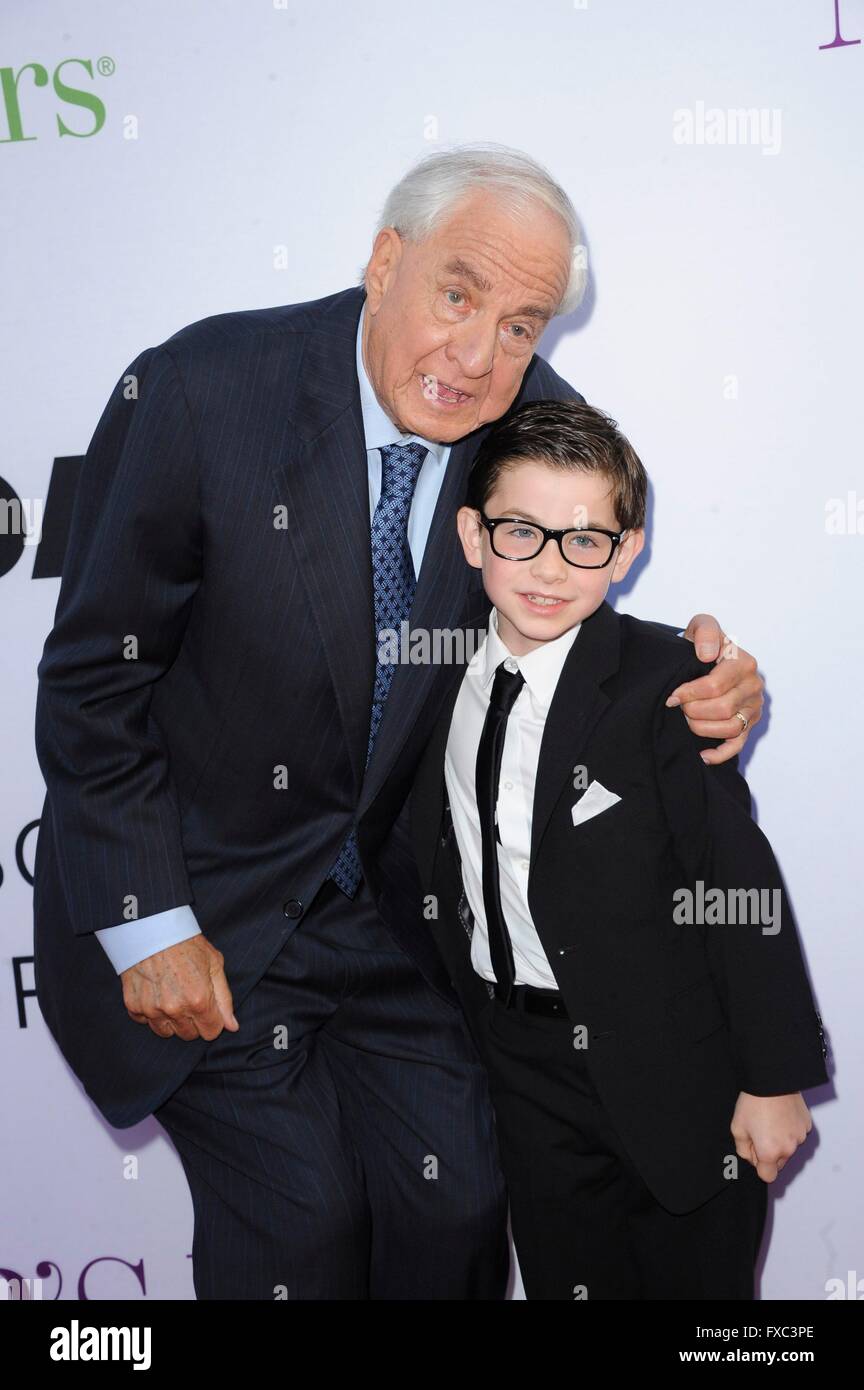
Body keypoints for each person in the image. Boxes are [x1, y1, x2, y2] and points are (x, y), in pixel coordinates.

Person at [33, 144, 765, 1300]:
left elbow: (561, 602)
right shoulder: (205, 389)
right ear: (386, 262)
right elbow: (93, 680)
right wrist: (147, 920)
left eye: (523, 324)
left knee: (459, 1202)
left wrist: (704, 678)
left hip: (394, 918)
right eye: (459, 295)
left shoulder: (535, 426)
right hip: (204, 900)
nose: (480, 359)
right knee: (303, 1222)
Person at [410, 397, 829, 1301]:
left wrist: (774, 1080)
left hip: (676, 1070)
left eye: (585, 540)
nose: (551, 567)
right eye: (522, 532)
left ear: (627, 550)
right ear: (473, 535)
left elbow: (735, 880)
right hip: (518, 1066)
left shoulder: (668, 684)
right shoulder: (434, 675)